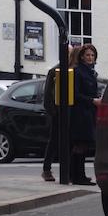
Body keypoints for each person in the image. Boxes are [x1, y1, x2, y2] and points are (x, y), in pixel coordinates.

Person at [68, 42, 101, 186]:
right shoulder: (78, 72)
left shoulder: (90, 72)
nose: (90, 57)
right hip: (80, 113)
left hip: (89, 113)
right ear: (81, 56)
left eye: (92, 55)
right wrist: (92, 100)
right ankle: (77, 176)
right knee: (79, 145)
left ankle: (78, 175)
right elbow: (75, 95)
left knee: (84, 146)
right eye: (87, 55)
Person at [41, 54, 65, 182]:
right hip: (57, 112)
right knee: (54, 141)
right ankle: (46, 169)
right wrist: (54, 112)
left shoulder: (72, 70)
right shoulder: (54, 71)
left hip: (68, 112)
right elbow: (47, 97)